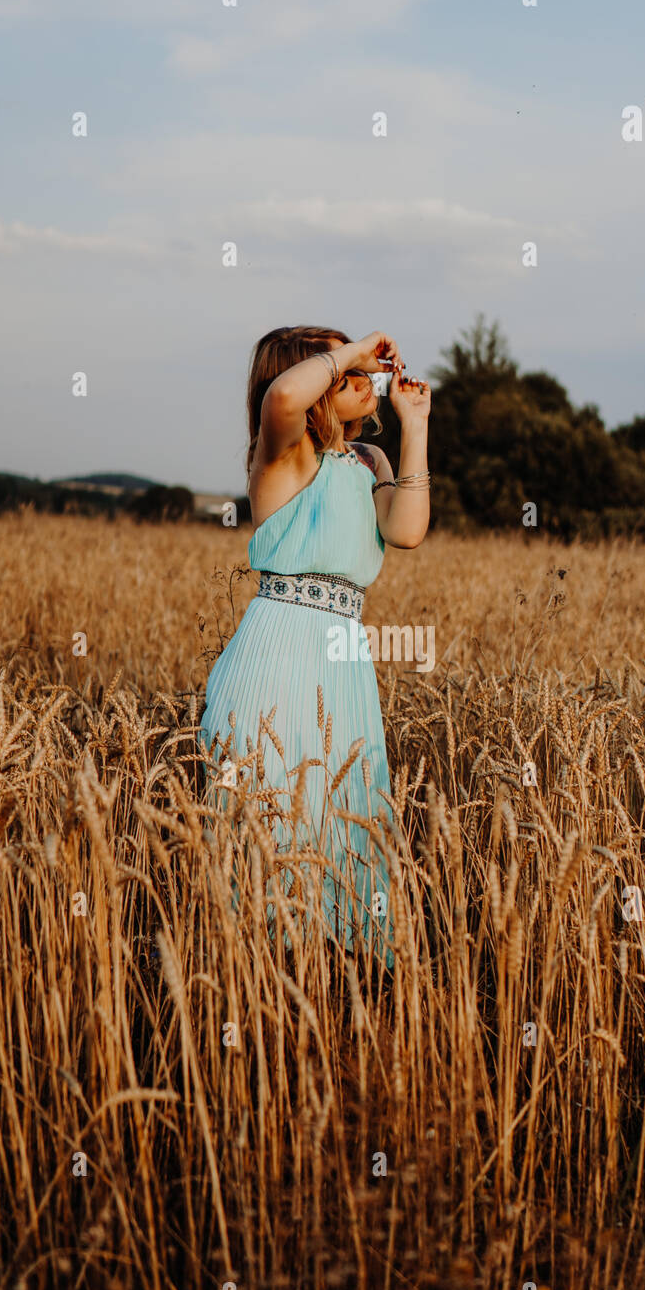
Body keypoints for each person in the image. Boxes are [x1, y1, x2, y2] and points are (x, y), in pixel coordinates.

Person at [199, 326, 431, 969]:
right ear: (317, 379)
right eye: (346, 370)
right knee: (270, 832)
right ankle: (257, 994)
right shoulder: (282, 451)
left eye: (364, 371)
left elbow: (407, 531)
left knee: (345, 828)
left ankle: (332, 1007)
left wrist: (413, 426)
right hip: (275, 655)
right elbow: (282, 399)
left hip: (343, 663)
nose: (364, 379)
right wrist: (355, 350)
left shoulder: (369, 464)